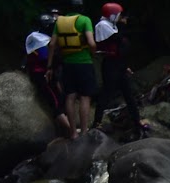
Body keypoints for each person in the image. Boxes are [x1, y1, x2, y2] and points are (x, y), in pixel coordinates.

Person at [93, 3, 145, 133]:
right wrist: (122, 26)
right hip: (111, 64)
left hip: (119, 63)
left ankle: (136, 120)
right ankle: (97, 121)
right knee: (106, 92)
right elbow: (117, 39)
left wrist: (125, 66)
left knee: (128, 93)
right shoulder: (102, 25)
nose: (120, 17)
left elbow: (121, 46)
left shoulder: (112, 26)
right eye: (118, 15)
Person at [48, 8, 97, 138]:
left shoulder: (60, 22)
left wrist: (49, 66)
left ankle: (73, 133)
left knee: (70, 96)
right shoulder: (85, 20)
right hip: (84, 63)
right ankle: (84, 131)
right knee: (85, 97)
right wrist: (93, 53)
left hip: (67, 65)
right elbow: (91, 43)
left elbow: (52, 44)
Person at [25, 12, 72, 138]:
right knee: (55, 101)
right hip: (41, 74)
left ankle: (66, 128)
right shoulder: (37, 38)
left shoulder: (42, 37)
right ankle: (70, 129)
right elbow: (45, 58)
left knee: (61, 97)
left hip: (49, 72)